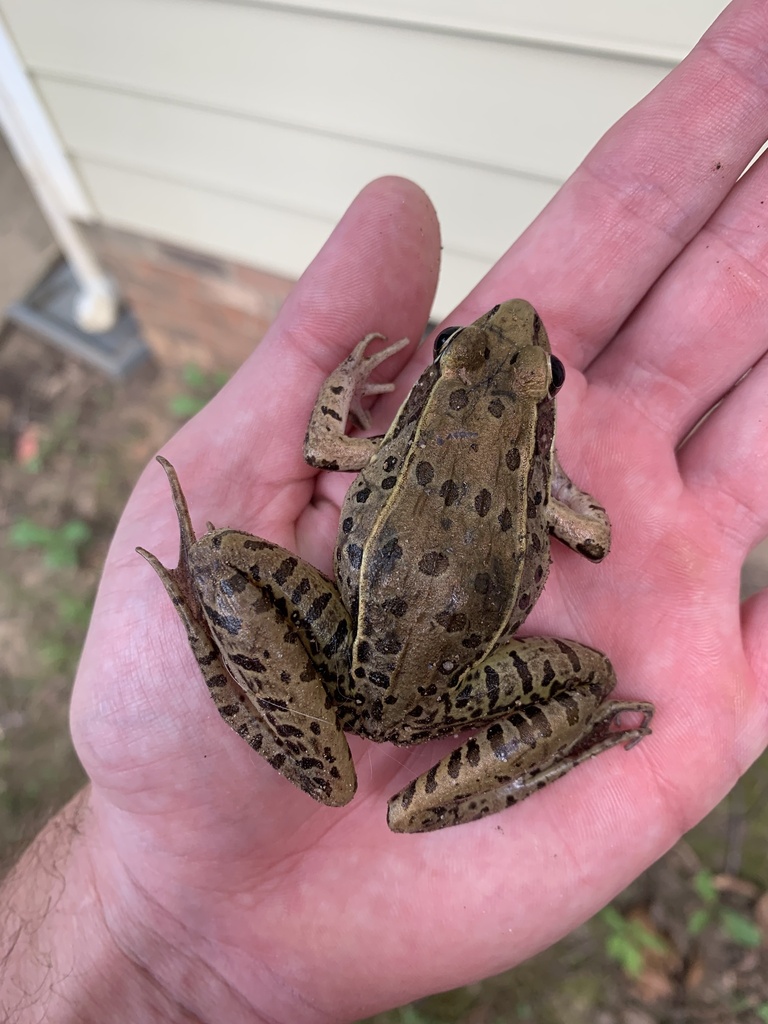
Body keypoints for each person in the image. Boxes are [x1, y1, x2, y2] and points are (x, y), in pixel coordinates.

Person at [4, 2, 768, 1020]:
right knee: (585, 682)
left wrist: (348, 386)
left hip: (347, 648)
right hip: (444, 686)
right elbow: (596, 536)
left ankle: (225, 634)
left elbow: (330, 442)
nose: (497, 340)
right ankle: (493, 774)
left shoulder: (390, 444)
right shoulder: (543, 494)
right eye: (459, 347)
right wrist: (544, 495)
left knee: (220, 561)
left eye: (519, 366)